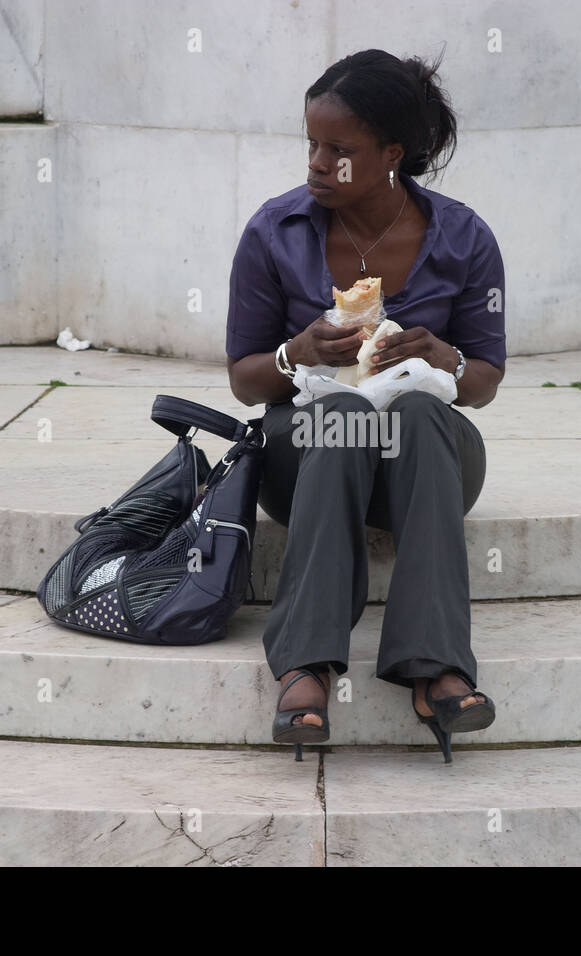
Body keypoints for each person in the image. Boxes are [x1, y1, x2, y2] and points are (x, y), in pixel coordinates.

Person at [224, 49, 507, 764]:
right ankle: (304, 664)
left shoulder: (464, 238)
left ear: (391, 155)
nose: (318, 164)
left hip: (427, 457)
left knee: (418, 412)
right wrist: (297, 353)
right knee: (343, 417)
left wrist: (445, 359)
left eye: (339, 151)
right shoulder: (274, 231)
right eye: (312, 145)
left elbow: (483, 382)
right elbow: (245, 382)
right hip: (305, 458)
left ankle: (436, 665)